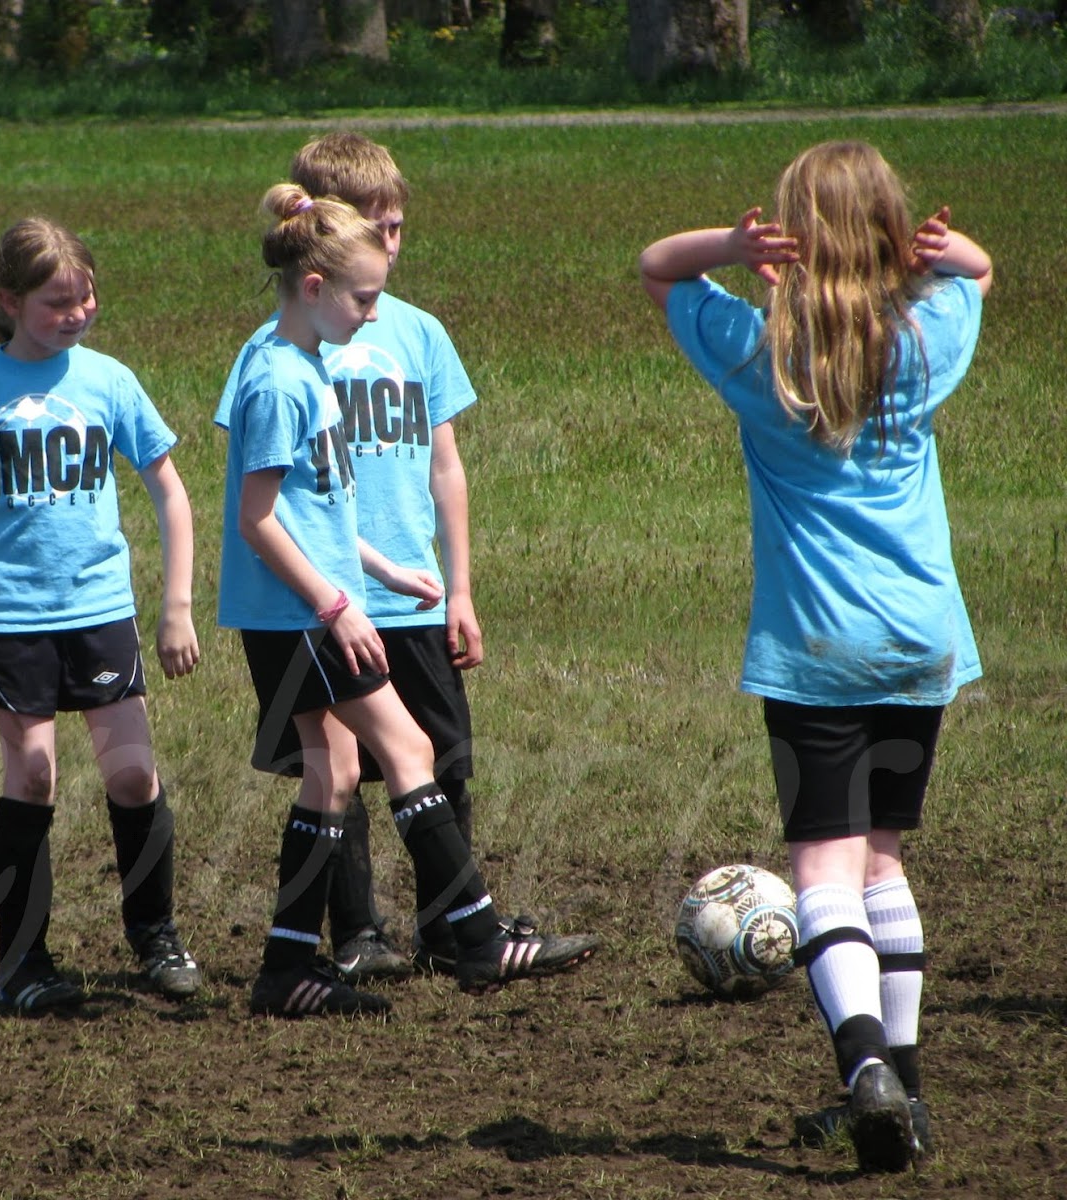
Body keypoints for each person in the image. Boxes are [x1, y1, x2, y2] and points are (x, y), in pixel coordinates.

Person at [639, 140, 993, 1173]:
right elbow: (976, 274)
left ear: (785, 239)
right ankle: (908, 1094)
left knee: (822, 869)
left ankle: (861, 1068)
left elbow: (658, 266)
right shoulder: (927, 343)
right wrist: (932, 254)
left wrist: (730, 245)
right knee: (885, 857)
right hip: (919, 639)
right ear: (892, 231)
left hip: (814, 646)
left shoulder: (758, 355)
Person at [216, 132, 598, 983]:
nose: (375, 314)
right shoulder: (280, 377)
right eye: (362, 298)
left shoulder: (307, 365)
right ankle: (476, 938)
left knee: (336, 770)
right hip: (304, 614)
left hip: (312, 607)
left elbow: (316, 505)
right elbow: (259, 517)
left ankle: (288, 969)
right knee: (406, 753)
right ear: (315, 285)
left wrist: (384, 573)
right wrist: (339, 602)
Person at [0, 217, 204, 1014]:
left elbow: (170, 493)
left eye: (86, 298)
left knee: (132, 773)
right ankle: (25, 963)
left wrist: (175, 606)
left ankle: (155, 935)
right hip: (11, 617)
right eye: (56, 303)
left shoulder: (110, 380)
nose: (76, 314)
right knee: (34, 775)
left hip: (100, 607)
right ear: (9, 302)